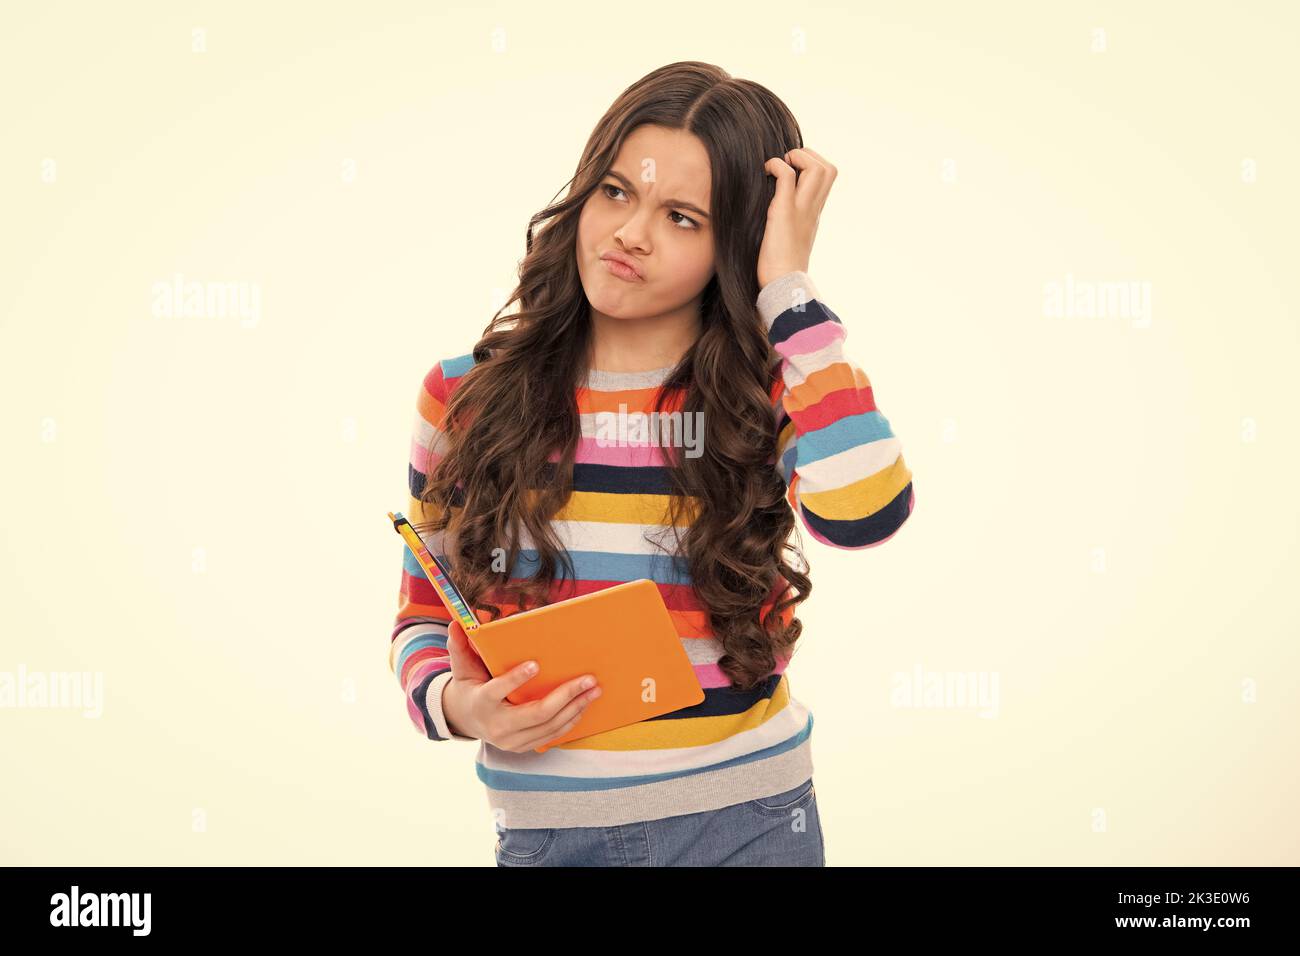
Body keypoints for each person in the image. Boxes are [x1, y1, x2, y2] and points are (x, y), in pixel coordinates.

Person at [388, 60, 915, 866]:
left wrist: (790, 290)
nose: (631, 233)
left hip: (750, 821)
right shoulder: (464, 396)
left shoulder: (776, 390)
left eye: (682, 217)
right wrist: (462, 706)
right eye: (616, 192)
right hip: (545, 837)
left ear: (734, 242)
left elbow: (867, 512)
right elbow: (424, 615)